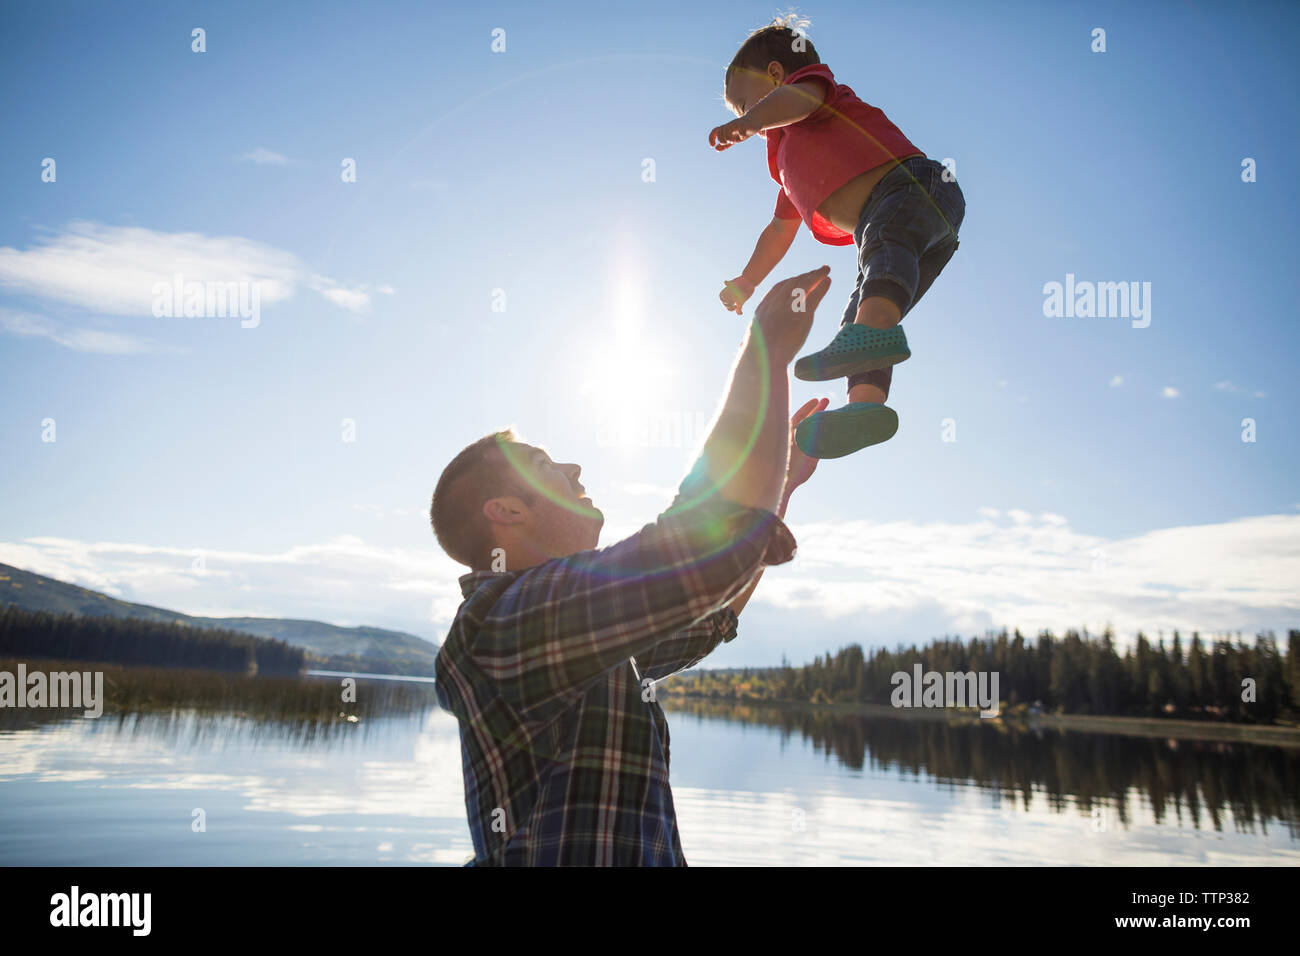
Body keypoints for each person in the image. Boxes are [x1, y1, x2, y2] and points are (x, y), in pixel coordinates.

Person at [430, 266, 834, 865]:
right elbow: (692, 551)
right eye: (545, 465)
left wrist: (777, 485)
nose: (574, 470)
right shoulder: (499, 626)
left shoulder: (573, 636)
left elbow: (703, 609)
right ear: (507, 509)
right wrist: (765, 356)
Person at [709, 15, 967, 459]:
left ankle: (872, 334)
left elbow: (797, 101)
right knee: (860, 310)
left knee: (883, 259)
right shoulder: (786, 163)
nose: (750, 120)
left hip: (914, 188)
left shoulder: (812, 94)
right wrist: (748, 281)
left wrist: (751, 123)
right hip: (899, 234)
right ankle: (865, 407)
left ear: (775, 75)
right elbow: (778, 230)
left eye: (747, 104)